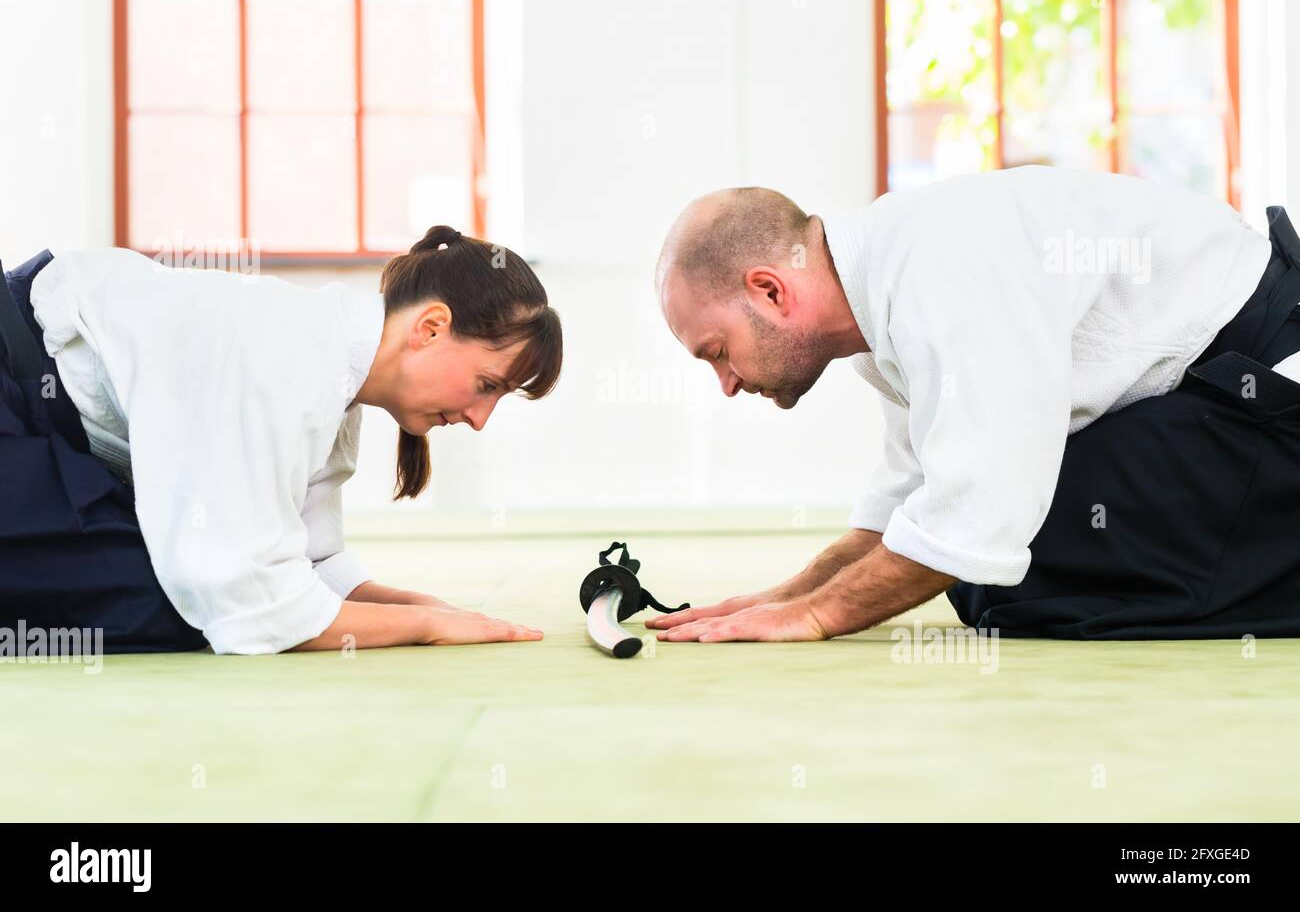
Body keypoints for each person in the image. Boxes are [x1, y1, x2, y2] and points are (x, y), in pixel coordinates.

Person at [648, 168, 1300, 642]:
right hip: (1201, 389)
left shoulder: (939, 268)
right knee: (971, 572)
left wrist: (815, 617)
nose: (726, 383)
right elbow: (911, 502)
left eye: (716, 352)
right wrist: (780, 597)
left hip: (1268, 383)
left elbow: (976, 518)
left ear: (769, 291)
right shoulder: (880, 288)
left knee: (1011, 562)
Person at [0, 226, 560, 655]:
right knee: (163, 604)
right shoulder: (290, 352)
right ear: (431, 327)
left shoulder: (338, 369)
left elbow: (305, 560)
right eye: (488, 385)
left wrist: (413, 602)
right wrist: (426, 626)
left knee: (167, 587)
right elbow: (252, 604)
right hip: (14, 391)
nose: (481, 418)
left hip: (42, 427)